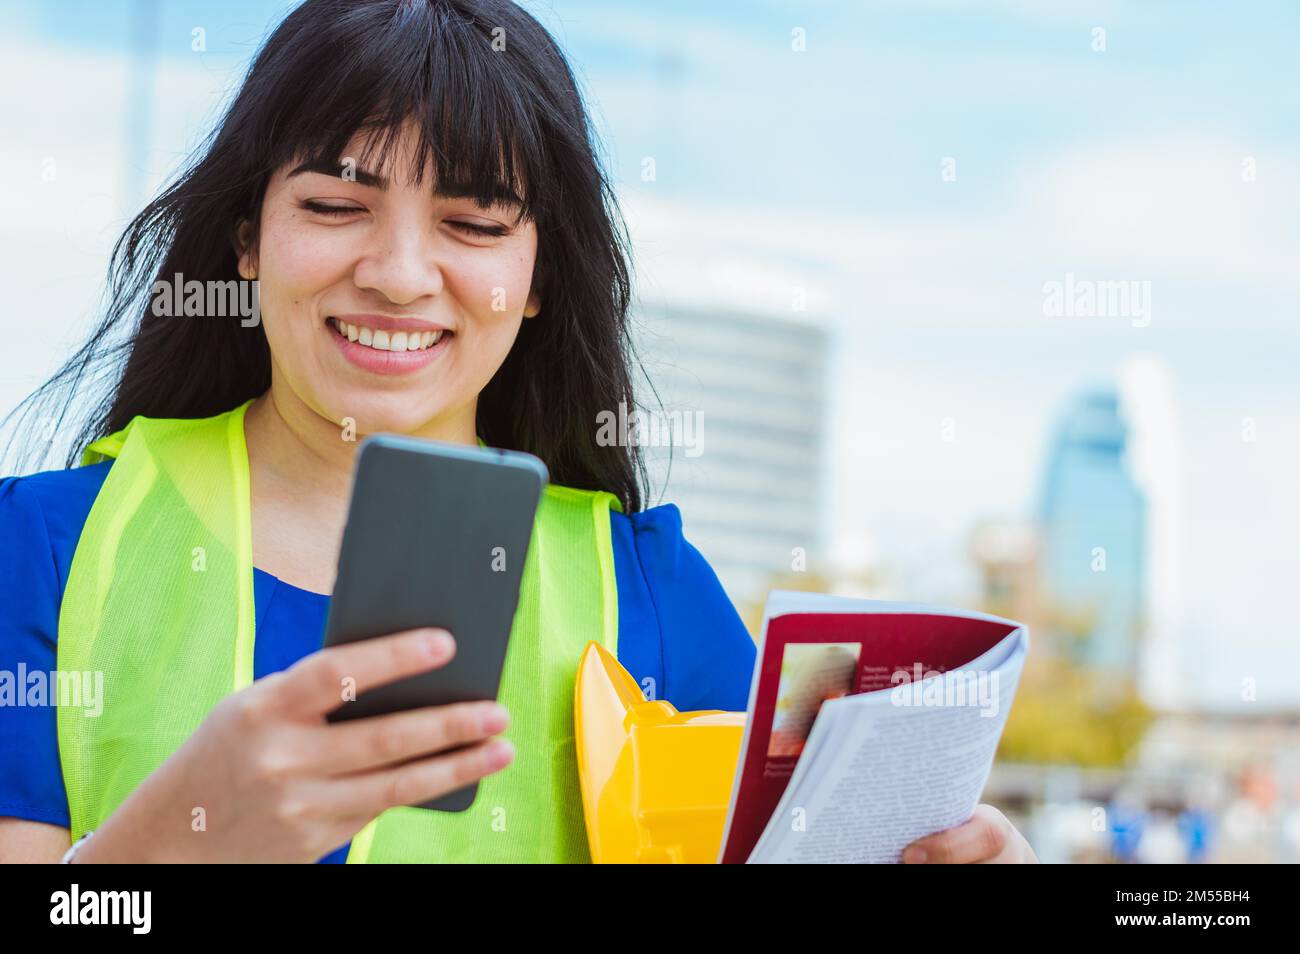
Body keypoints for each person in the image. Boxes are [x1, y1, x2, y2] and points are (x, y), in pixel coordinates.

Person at [0, 0, 1035, 864]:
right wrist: (165, 847)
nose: (400, 274)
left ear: (538, 278)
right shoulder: (44, 550)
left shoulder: (653, 596)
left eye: (476, 224)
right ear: (244, 240)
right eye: (333, 205)